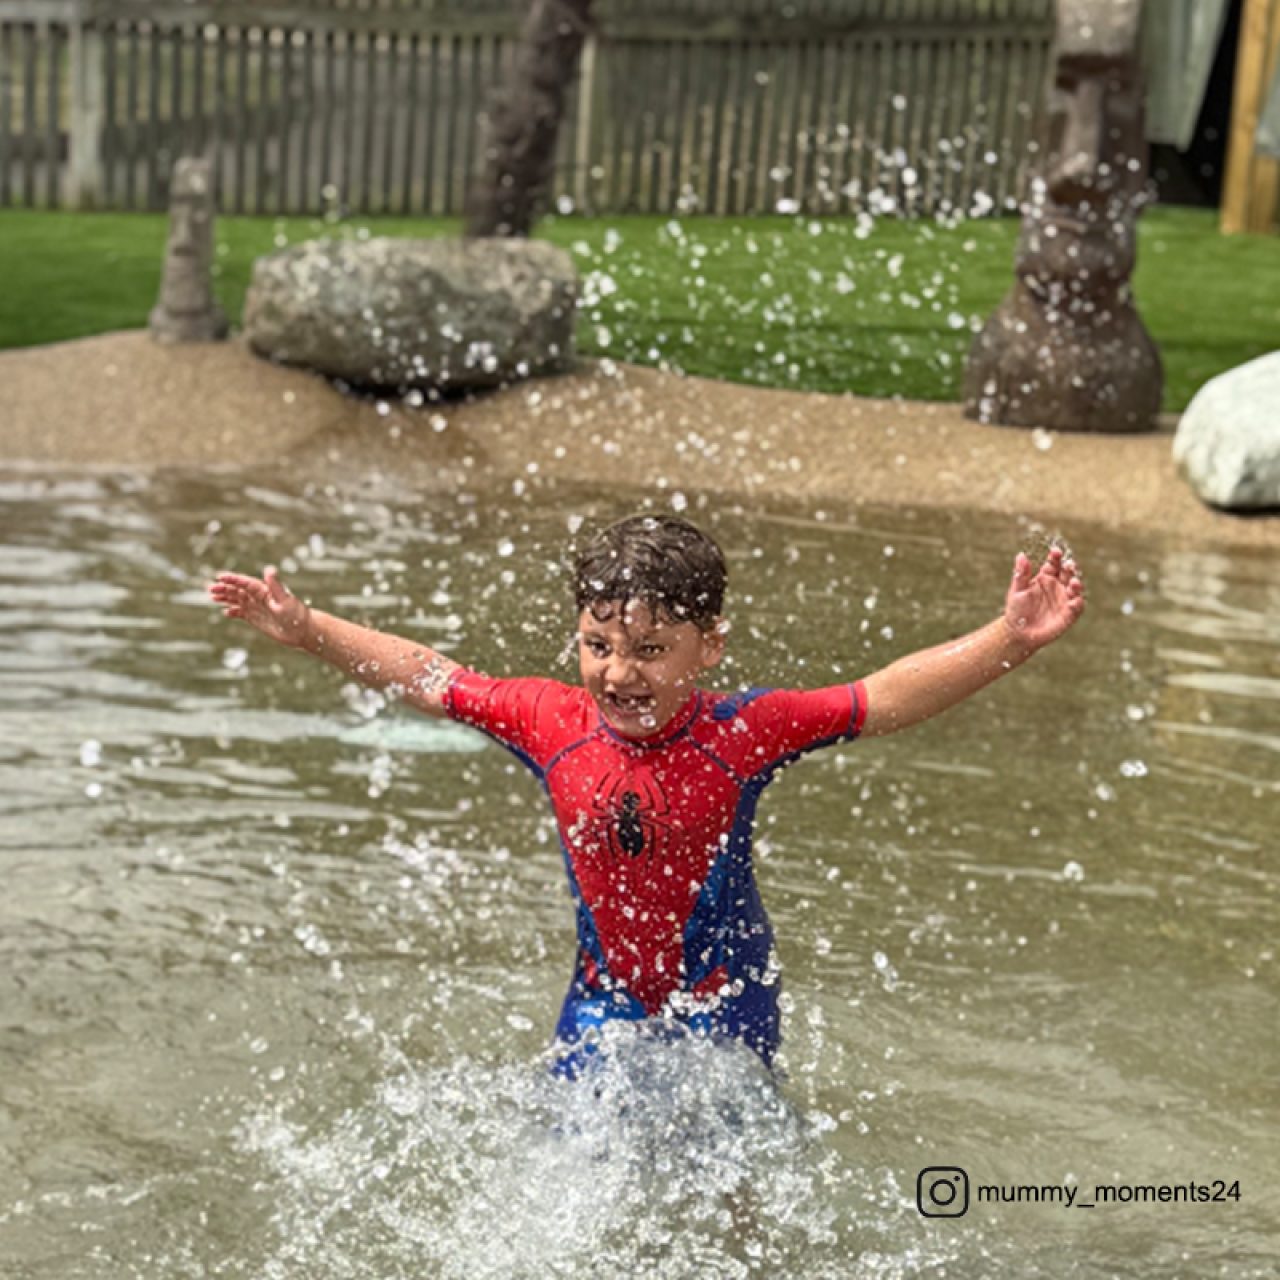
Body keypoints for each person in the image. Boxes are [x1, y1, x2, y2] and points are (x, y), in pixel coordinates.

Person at [208, 514, 1085, 1078]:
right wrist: (308, 629)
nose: (619, 673)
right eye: (597, 644)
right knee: (564, 1175)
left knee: (740, 1191)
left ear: (709, 647)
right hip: (602, 1004)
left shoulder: (746, 733)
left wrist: (1012, 639)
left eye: (651, 650)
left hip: (727, 1002)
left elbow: (883, 697)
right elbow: (432, 675)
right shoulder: (548, 719)